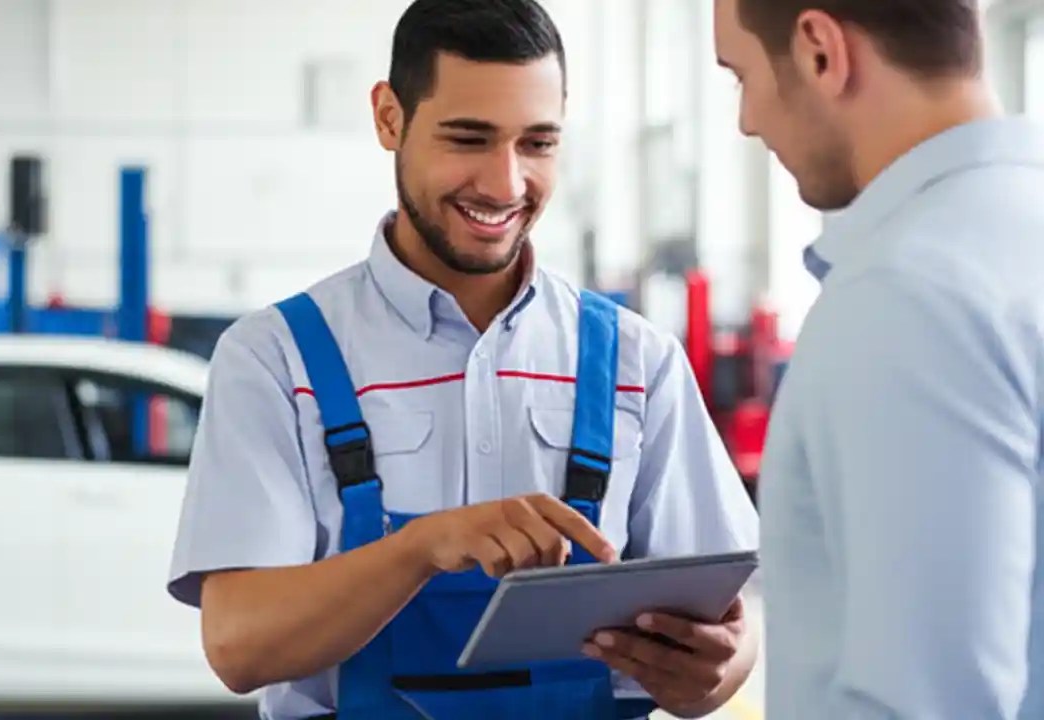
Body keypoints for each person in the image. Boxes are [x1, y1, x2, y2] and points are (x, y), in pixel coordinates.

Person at [168, 1, 759, 718]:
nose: (505, 184)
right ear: (390, 118)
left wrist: (718, 668)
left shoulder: (639, 363)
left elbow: (728, 629)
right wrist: (421, 548)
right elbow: (238, 647)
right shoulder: (274, 359)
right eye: (468, 138)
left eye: (537, 144)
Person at [714, 0, 1044, 716]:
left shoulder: (909, 293)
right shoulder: (1017, 237)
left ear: (820, 51)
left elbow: (928, 701)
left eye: (741, 77)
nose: (746, 121)